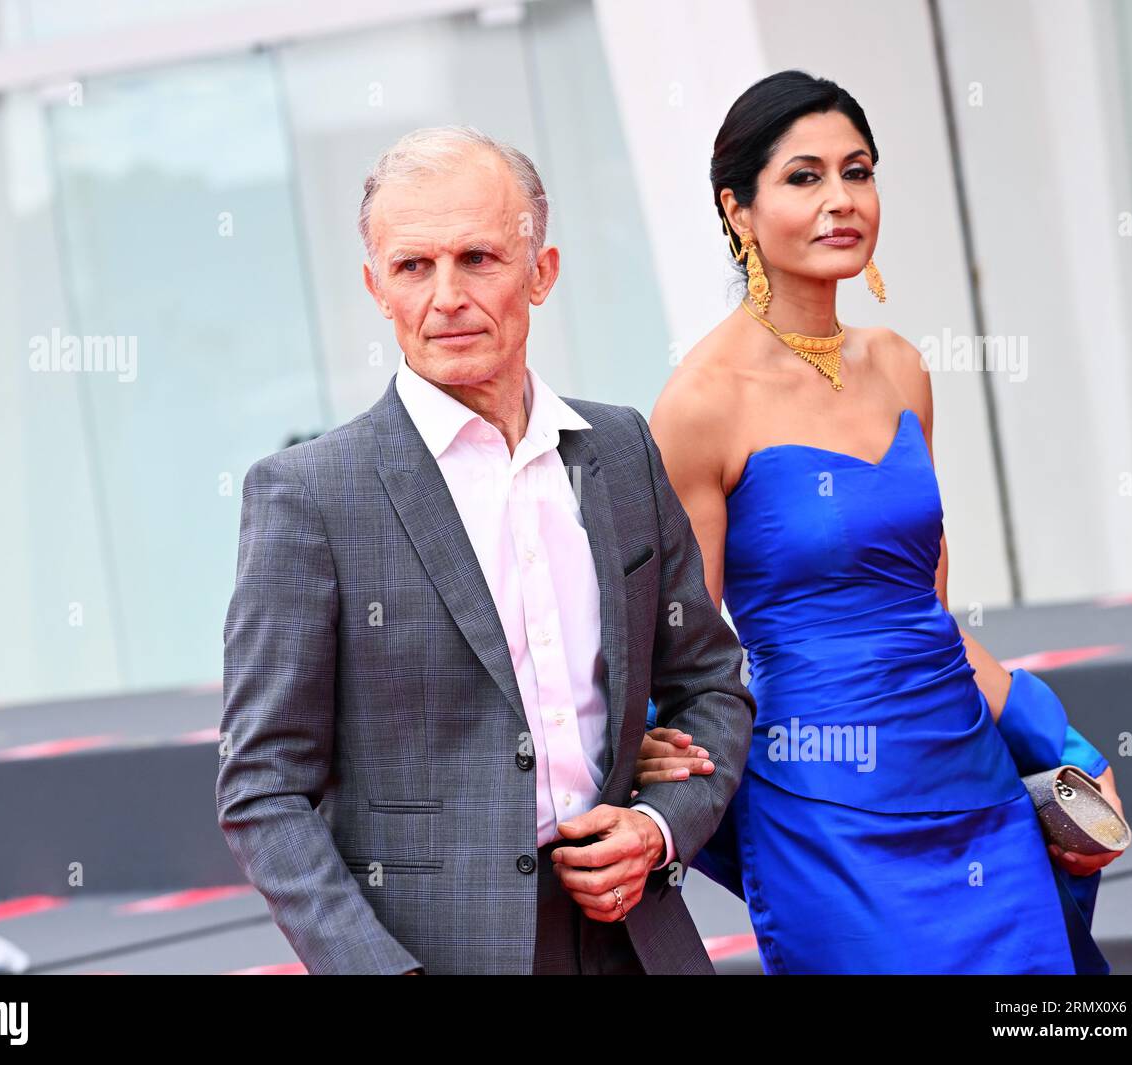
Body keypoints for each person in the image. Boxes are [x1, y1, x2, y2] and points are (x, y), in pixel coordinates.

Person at [216, 126, 755, 975]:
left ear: (541, 272)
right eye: (412, 266)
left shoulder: (620, 450)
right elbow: (262, 787)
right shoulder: (309, 497)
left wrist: (655, 827)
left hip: (641, 936)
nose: (446, 296)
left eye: (477, 257)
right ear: (375, 287)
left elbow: (711, 686)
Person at [634, 71, 1124, 974]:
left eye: (857, 172)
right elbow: (683, 650)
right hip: (826, 810)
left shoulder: (901, 368)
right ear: (737, 209)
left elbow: (931, 614)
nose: (841, 200)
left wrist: (1062, 745)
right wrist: (661, 771)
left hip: (969, 780)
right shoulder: (698, 404)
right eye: (804, 177)